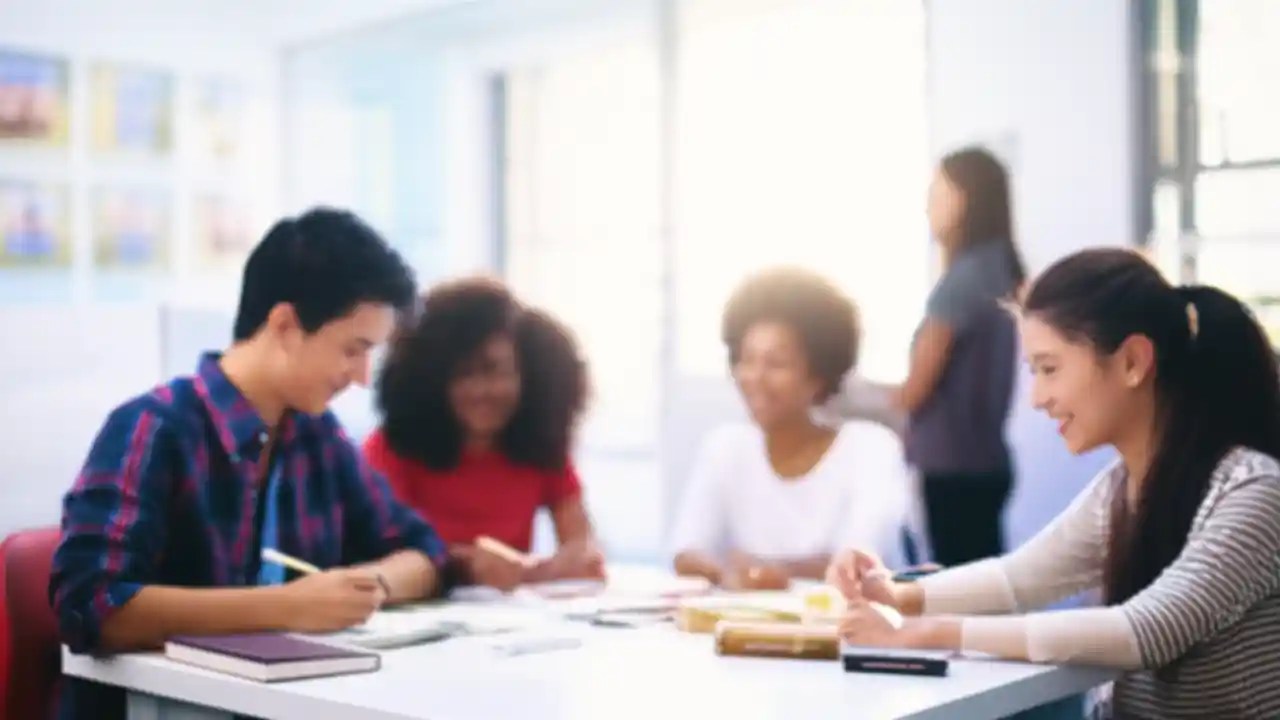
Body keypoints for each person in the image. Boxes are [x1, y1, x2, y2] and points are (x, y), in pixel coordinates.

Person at [828, 248, 1280, 719]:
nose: (1038, 398)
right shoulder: (1121, 488)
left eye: (1050, 369)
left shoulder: (1253, 491)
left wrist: (925, 632)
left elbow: (1145, 632)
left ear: (1131, 361)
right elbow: (1020, 579)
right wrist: (896, 596)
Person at [49, 208, 448, 720]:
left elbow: (425, 552)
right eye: (353, 350)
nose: (362, 377)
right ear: (284, 325)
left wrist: (364, 589)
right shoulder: (153, 428)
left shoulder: (315, 435)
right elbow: (90, 605)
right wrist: (289, 607)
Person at [830, 146, 1026, 567]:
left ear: (967, 201)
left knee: (957, 595)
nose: (928, 207)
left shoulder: (960, 282)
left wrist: (848, 395)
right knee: (984, 590)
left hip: (950, 471)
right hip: (988, 463)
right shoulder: (1003, 270)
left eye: (938, 194)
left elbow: (915, 392)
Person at [670, 268, 909, 590]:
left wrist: (761, 570)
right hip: (746, 629)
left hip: (854, 630)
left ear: (818, 376)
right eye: (747, 359)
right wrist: (728, 573)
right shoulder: (725, 447)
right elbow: (687, 552)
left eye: (776, 364)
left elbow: (858, 562)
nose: (755, 377)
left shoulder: (871, 448)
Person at [364, 278, 603, 592]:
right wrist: (464, 565)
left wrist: (547, 567)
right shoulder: (390, 448)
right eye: (463, 374)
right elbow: (379, 552)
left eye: (496, 371)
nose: (481, 391)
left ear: (529, 374)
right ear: (431, 381)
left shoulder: (542, 446)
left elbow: (581, 543)